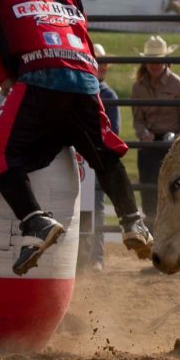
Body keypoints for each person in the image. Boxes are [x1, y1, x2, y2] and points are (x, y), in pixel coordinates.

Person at [0, 0, 152, 276]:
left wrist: (4, 80)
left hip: (38, 75)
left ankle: (35, 221)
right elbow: (81, 30)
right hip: (84, 76)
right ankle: (134, 221)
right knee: (104, 151)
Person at [131, 35, 180, 226]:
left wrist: (178, 140)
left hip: (171, 142)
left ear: (166, 61)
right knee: (148, 187)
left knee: (172, 188)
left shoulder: (179, 85)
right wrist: (142, 133)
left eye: (158, 60)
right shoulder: (138, 88)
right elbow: (138, 119)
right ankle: (151, 224)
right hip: (149, 142)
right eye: (150, 60)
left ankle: (173, 225)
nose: (154, 64)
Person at [77, 42, 121, 273]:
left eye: (102, 63)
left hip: (94, 156)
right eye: (98, 63)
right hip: (83, 156)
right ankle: (85, 257)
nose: (101, 67)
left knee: (95, 205)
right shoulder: (93, 92)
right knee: (87, 206)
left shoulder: (106, 94)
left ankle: (96, 256)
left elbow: (114, 131)